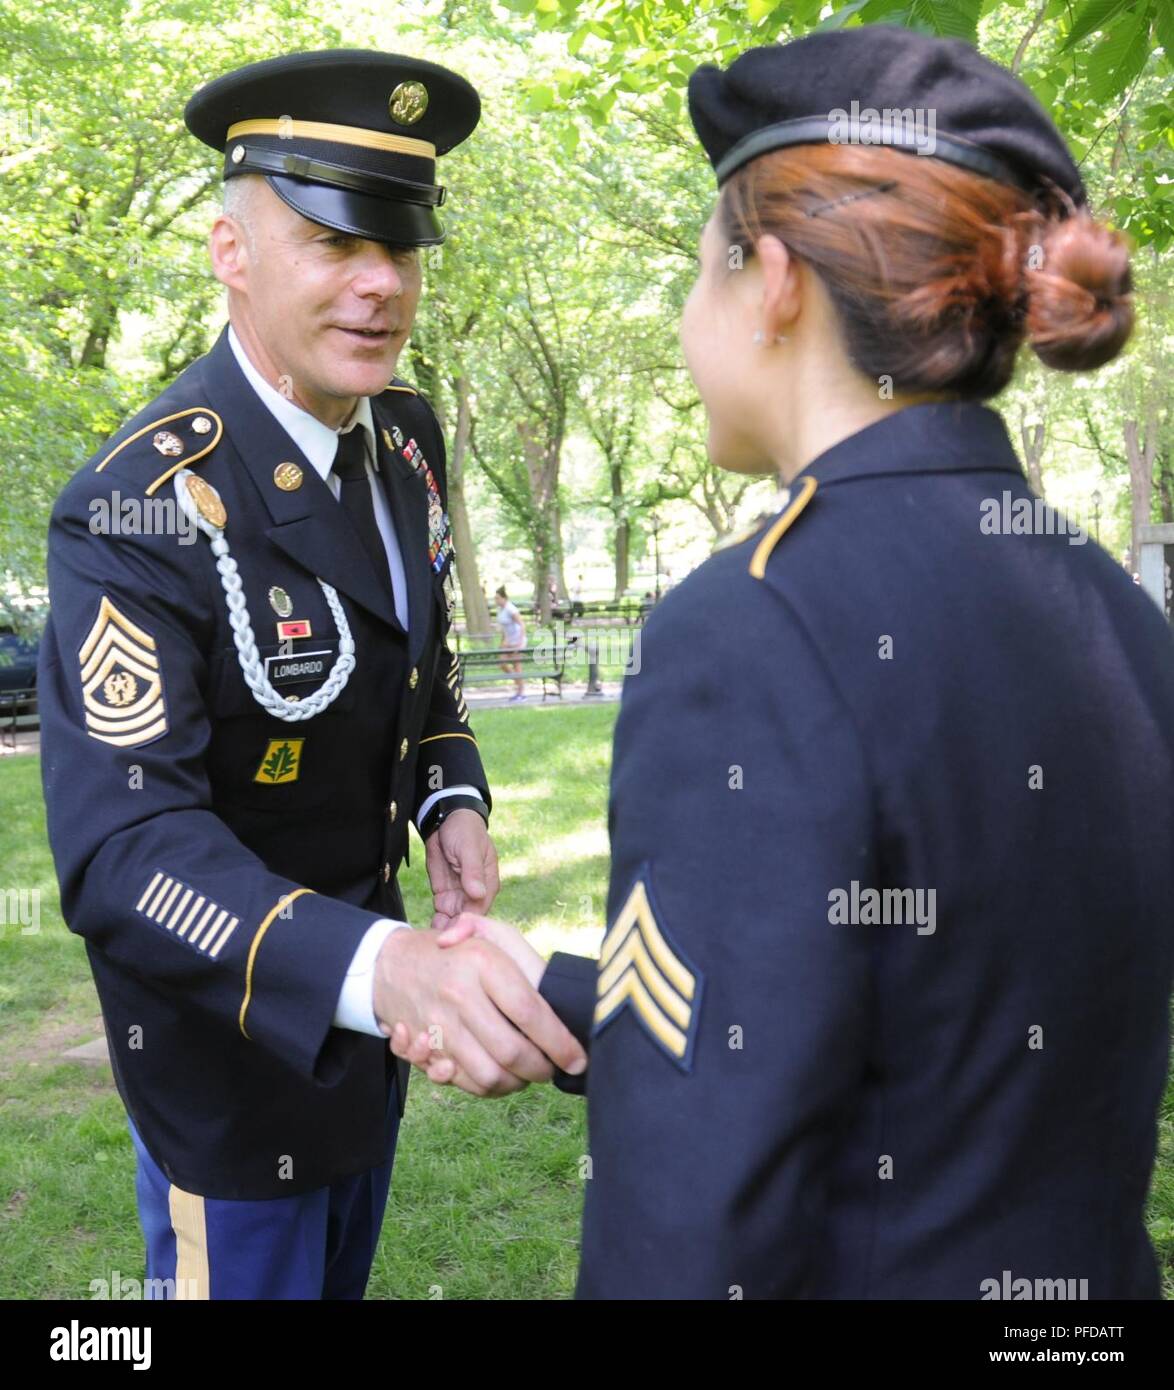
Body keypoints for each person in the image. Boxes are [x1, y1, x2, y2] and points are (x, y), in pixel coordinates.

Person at [398, 28, 1174, 1299]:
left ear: (773, 283)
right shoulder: (1109, 609)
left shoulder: (752, 624)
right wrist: (563, 992)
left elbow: (691, 1216)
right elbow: (934, 1015)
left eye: (700, 272)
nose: (692, 316)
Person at [37, 48, 585, 1302]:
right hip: (229, 1051)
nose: (381, 284)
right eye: (333, 243)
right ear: (232, 254)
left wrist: (450, 793)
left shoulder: (403, 435)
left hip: (375, 1031)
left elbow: (416, 660)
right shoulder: (140, 502)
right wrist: (381, 965)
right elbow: (126, 854)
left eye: (400, 246)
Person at [494, 585, 526, 701]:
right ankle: (519, 683)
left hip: (517, 640)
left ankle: (521, 693)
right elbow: (504, 628)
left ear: (504, 598)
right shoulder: (500, 610)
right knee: (502, 663)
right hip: (508, 641)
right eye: (495, 598)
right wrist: (502, 642)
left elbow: (522, 624)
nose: (496, 600)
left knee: (517, 665)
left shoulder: (510, 609)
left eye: (497, 598)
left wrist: (520, 643)